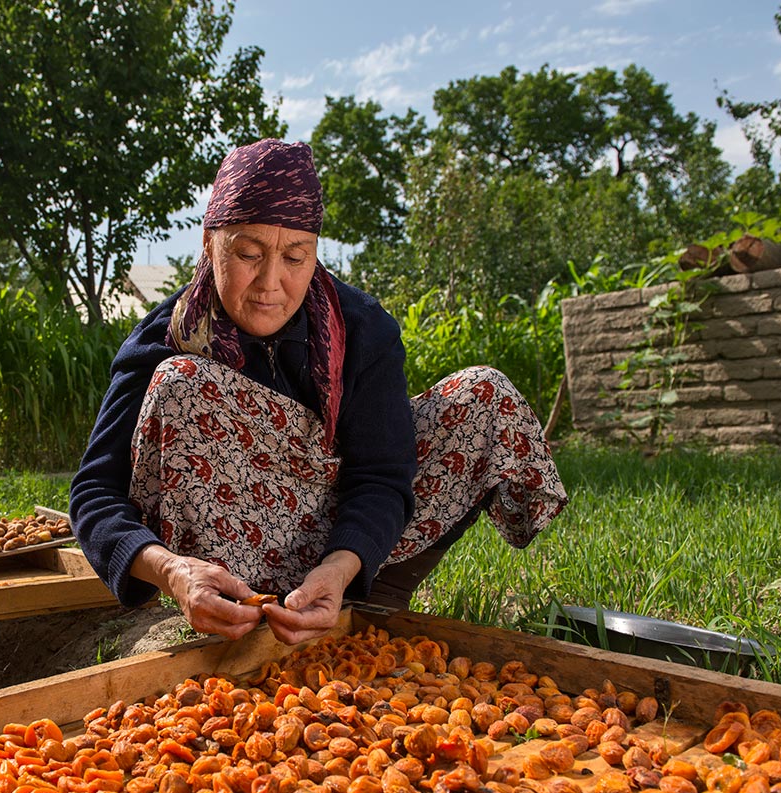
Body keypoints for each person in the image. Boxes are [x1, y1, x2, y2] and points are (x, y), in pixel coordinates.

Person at [70, 138, 566, 645]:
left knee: (482, 396)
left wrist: (342, 564)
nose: (270, 282)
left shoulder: (362, 328)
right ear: (209, 243)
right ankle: (235, 608)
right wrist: (174, 573)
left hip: (333, 525)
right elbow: (94, 494)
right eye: (248, 253)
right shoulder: (164, 336)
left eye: (294, 256)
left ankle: (371, 592)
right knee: (181, 381)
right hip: (234, 556)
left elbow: (382, 473)